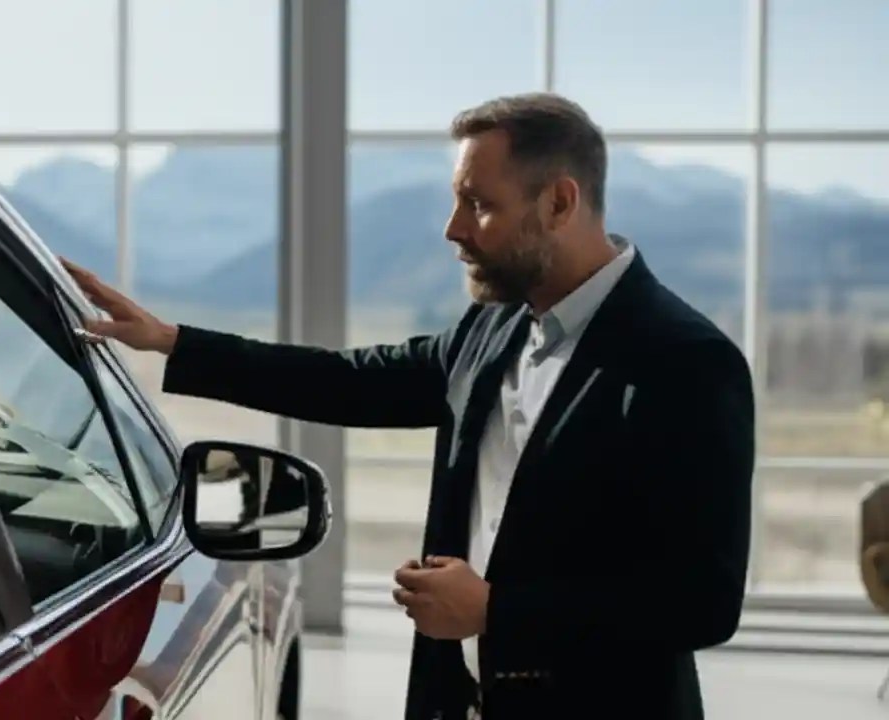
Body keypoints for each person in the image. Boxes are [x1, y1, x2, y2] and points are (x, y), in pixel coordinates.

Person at [59, 92, 755, 720]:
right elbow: (348, 380)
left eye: (479, 204)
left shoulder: (686, 363)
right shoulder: (495, 326)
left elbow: (700, 602)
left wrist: (495, 612)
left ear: (560, 204)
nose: (455, 230)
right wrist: (173, 343)